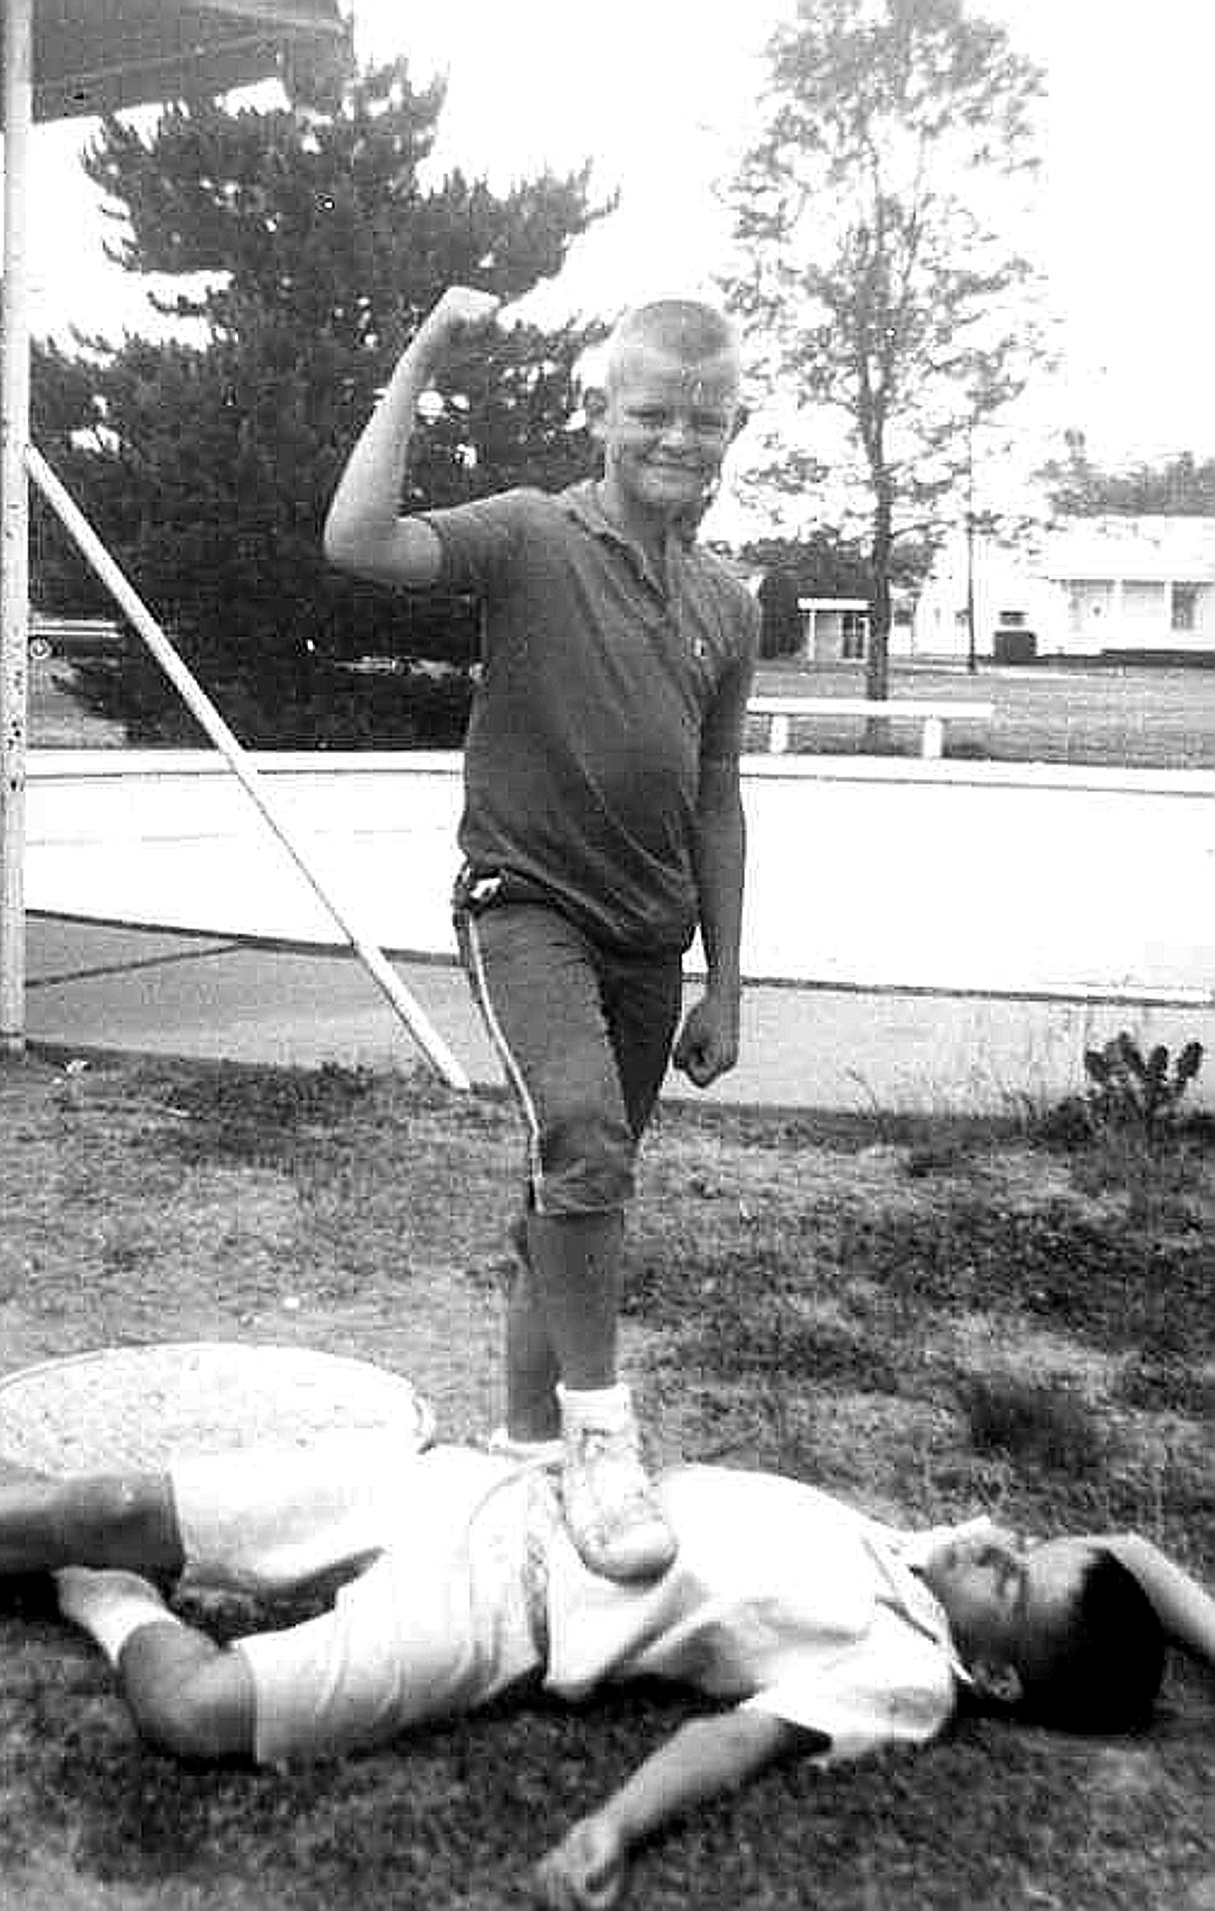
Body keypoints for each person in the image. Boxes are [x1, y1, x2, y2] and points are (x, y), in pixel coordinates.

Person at [0, 1439, 1211, 1910]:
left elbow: (741, 1738)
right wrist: (1103, 1579)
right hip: (462, 1477)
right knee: (108, 1491)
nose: (995, 1535)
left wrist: (614, 1832)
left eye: (1016, 1568)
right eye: (1014, 1539)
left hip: (495, 1617)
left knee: (198, 1713)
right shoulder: (923, 1552)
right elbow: (1131, 1554)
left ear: (996, 1678)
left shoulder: (907, 1667)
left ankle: (97, 1603)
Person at [322, 289, 760, 1581]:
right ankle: (601, 1438)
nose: (678, 439)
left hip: (648, 938)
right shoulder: (527, 534)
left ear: (733, 426)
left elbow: (717, 797)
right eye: (652, 414)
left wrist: (724, 982)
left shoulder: (725, 601)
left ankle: (522, 1452)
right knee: (582, 1141)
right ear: (603, 413)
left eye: (706, 419)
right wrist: (420, 354)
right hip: (527, 903)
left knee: (566, 1198)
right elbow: (357, 538)